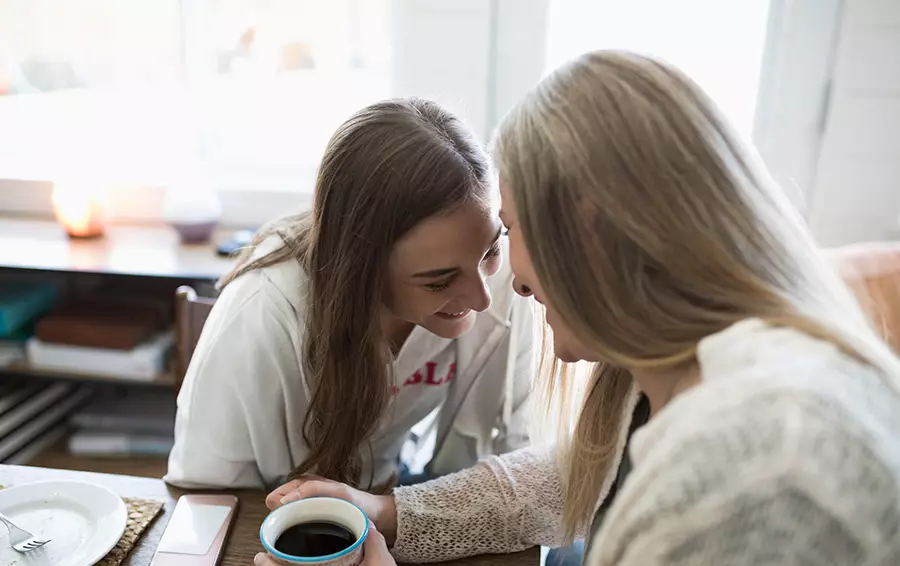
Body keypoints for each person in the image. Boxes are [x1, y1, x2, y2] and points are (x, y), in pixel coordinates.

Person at [258, 50, 900, 566]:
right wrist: (389, 513)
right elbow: (577, 475)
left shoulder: (752, 477)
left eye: (510, 229)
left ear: (596, 240)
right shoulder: (688, 367)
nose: (507, 286)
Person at [165, 97, 535, 493]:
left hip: (397, 492)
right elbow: (205, 501)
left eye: (491, 251)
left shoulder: (499, 272)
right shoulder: (258, 316)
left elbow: (522, 448)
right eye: (439, 281)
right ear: (361, 268)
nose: (482, 299)